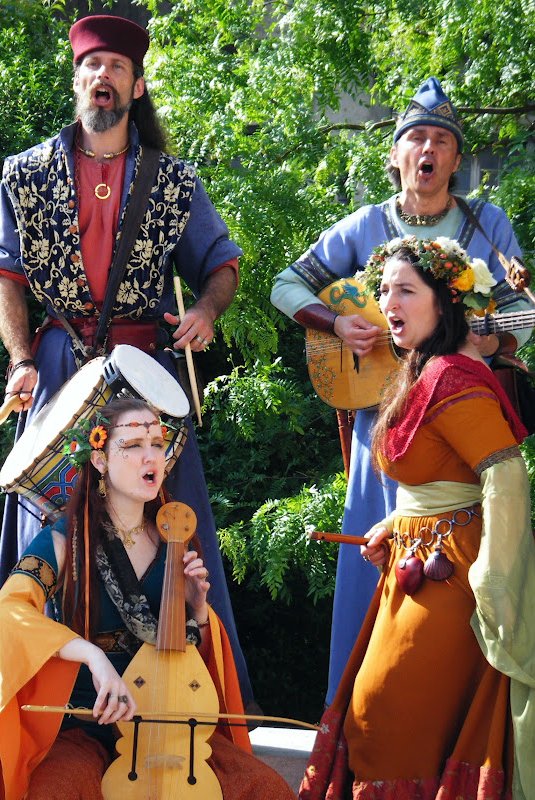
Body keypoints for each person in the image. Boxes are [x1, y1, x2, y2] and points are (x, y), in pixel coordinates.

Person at [0, 14, 254, 704]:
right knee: (50, 519)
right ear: (76, 79)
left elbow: (222, 264)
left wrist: (206, 312)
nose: (104, 78)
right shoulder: (27, 174)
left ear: (137, 83)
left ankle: (191, 690)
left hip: (145, 369)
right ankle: (43, 690)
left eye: (117, 68)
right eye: (92, 67)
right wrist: (19, 358)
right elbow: (5, 278)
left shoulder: (174, 181)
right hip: (60, 363)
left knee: (170, 515)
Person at [270, 76, 532, 704]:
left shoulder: (487, 224)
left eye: (441, 140)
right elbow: (285, 285)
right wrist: (336, 323)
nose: (427, 150)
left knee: (453, 566)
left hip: (459, 426)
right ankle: (359, 715)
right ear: (395, 155)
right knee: (372, 556)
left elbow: (519, 318)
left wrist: (486, 339)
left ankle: (457, 717)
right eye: (415, 137)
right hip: (383, 422)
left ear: (456, 160)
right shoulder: (366, 224)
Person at [0, 396, 295, 800]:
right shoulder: (64, 540)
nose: (150, 456)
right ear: (99, 460)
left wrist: (198, 612)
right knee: (55, 792)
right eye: (132, 445)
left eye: (157, 443)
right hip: (86, 729)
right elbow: (8, 611)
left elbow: (199, 660)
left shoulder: (175, 536)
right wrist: (92, 656)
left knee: (265, 788)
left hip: (170, 731)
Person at [299, 238, 535, 800]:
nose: (389, 302)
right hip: (416, 563)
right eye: (384, 291)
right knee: (383, 726)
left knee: (383, 719)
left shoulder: (451, 374)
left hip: (453, 576)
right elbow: (437, 481)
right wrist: (395, 527)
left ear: (445, 301)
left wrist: (494, 577)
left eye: (405, 289)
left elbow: (505, 475)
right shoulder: (420, 370)